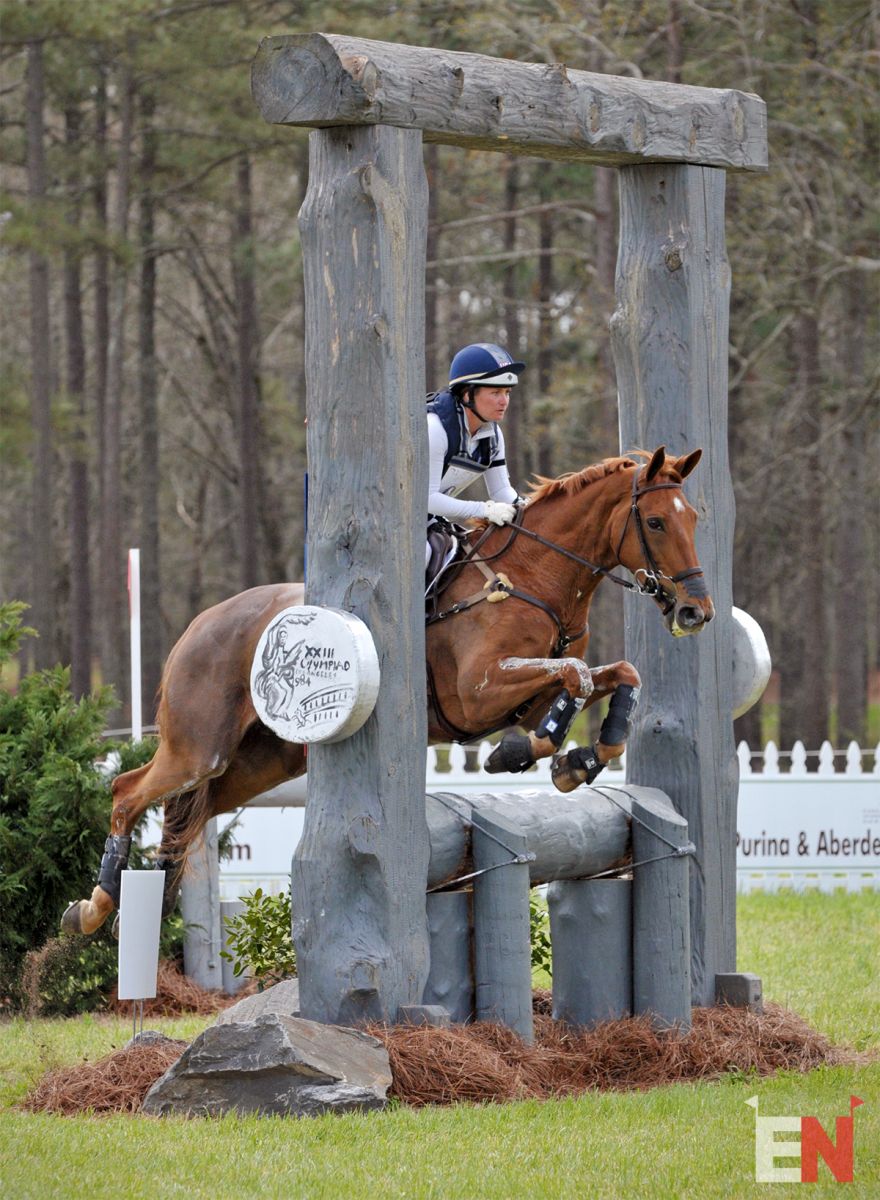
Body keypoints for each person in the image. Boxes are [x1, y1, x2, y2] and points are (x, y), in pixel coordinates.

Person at [426, 342, 524, 569]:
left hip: (430, 522)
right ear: (468, 394)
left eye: (507, 393)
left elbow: (501, 492)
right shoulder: (434, 429)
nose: (504, 401)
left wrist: (529, 509)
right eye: (496, 392)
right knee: (423, 554)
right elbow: (426, 500)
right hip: (387, 520)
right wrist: (485, 510)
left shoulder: (493, 435)